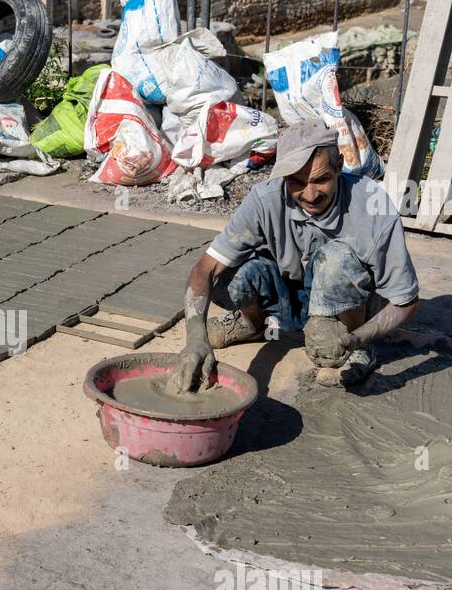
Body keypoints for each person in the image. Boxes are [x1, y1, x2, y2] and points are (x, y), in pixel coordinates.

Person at [170, 118, 419, 391]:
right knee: (232, 273)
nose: (310, 194)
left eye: (321, 180)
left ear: (339, 168)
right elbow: (205, 269)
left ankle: (354, 348)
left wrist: (361, 337)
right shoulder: (265, 199)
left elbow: (405, 301)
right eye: (296, 182)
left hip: (354, 312)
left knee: (335, 259)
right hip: (293, 298)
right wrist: (195, 337)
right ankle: (253, 324)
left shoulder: (374, 207)